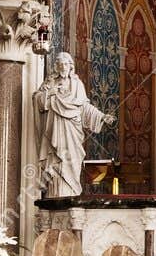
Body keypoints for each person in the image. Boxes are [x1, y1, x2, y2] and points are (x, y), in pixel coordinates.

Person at [34, 52, 114, 198]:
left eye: (66, 64)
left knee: (72, 162)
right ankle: (56, 197)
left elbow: (84, 107)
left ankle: (70, 194)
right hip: (55, 130)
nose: (63, 67)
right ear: (56, 67)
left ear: (70, 66)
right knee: (56, 163)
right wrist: (50, 92)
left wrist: (102, 117)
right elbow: (38, 100)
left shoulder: (77, 84)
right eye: (60, 64)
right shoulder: (50, 83)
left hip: (72, 132)